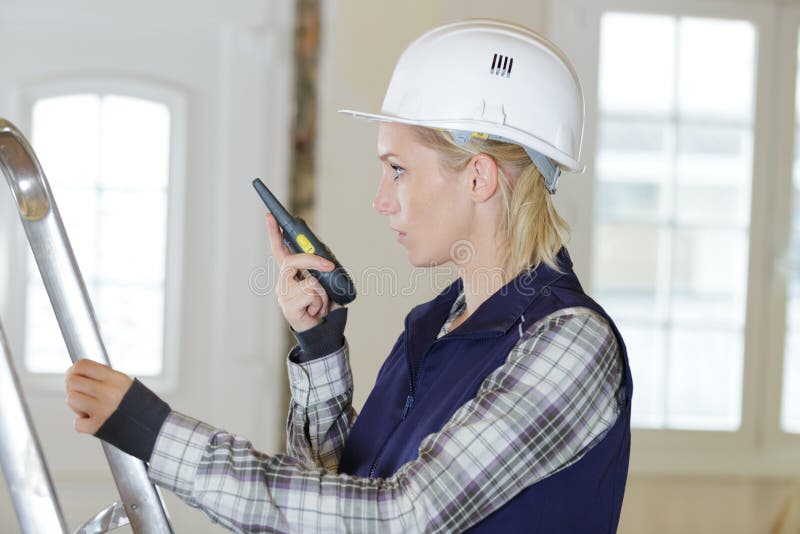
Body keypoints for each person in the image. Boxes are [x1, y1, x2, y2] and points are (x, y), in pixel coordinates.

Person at [64, 19, 632, 533]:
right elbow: (336, 500)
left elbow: (398, 518)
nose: (381, 200)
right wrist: (320, 348)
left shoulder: (571, 344)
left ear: (479, 178)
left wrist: (155, 434)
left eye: (398, 170)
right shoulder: (435, 325)